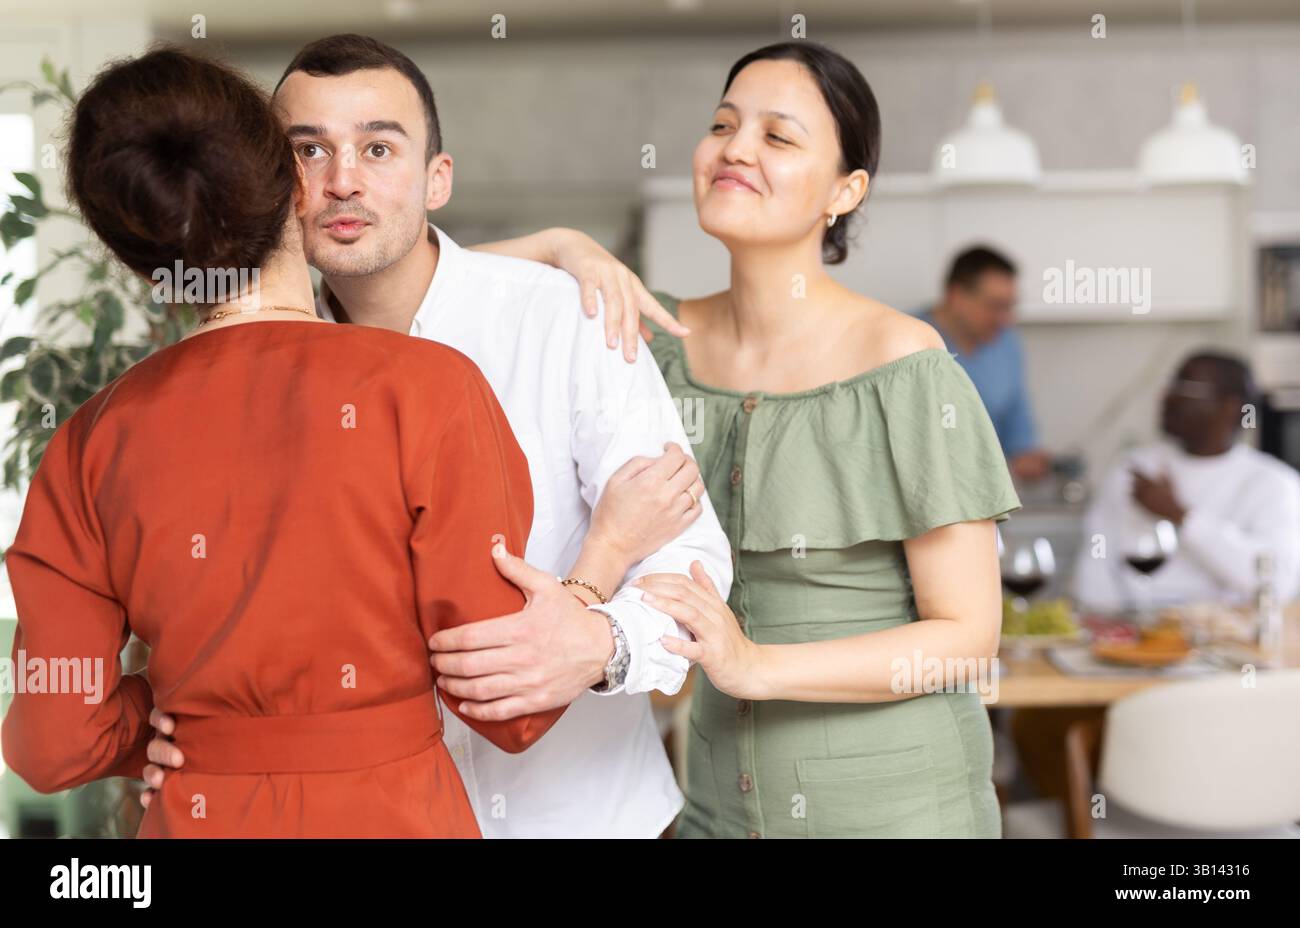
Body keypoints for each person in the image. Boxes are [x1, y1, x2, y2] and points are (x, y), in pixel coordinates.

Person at [141, 34, 733, 838]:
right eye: (307, 150)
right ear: (269, 181)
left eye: (378, 147)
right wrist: (170, 729)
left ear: (436, 178)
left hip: (585, 818)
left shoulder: (561, 317)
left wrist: (597, 641)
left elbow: (692, 559)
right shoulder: (240, 379)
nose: (342, 179)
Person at [0, 46, 568, 837]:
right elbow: (511, 705)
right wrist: (592, 588)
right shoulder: (430, 388)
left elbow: (53, 744)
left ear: (143, 257)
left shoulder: (88, 442)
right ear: (295, 187)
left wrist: (149, 718)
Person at [522, 41, 1021, 837]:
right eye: (723, 124)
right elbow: (428, 301)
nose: (736, 148)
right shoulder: (650, 342)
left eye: (778, 137)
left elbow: (967, 642)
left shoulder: (904, 366)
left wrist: (755, 665)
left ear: (846, 190)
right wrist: (562, 249)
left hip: (898, 814)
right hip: (717, 810)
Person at [1073, 351, 1300, 613]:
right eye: (1170, 385)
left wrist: (1181, 516)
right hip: (1132, 637)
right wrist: (1110, 625)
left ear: (1229, 406)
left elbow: (1276, 586)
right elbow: (1096, 562)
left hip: (1227, 642)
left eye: (1184, 387)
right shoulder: (1133, 469)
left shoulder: (1273, 484)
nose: (1165, 397)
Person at [919, 246, 1053, 483]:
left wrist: (1026, 455)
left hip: (987, 498)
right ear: (957, 296)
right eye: (995, 306)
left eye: (1010, 307)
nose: (1005, 319)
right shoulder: (906, 340)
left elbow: (1017, 419)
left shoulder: (1007, 344)